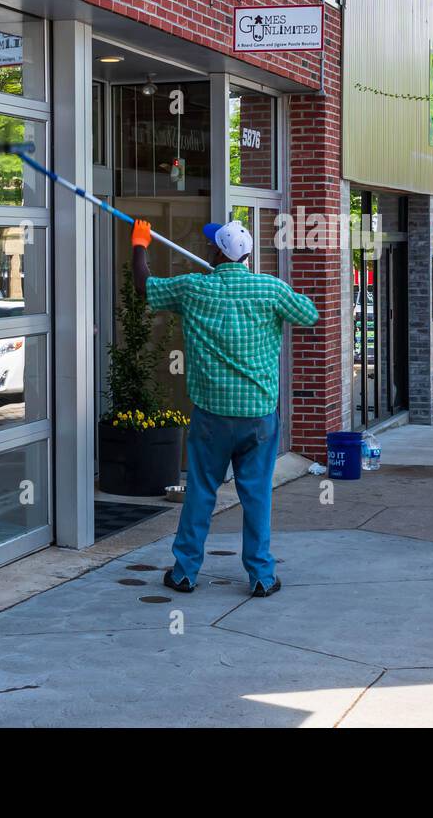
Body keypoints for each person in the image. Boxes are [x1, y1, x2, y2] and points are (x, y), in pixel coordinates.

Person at [132, 218, 319, 597]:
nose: (205, 249)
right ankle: (262, 577)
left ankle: (184, 572)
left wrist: (140, 244)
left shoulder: (193, 289)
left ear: (216, 253)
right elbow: (309, 314)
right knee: (257, 495)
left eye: (210, 245)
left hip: (211, 416)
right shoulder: (269, 288)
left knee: (201, 490)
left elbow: (144, 285)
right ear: (247, 255)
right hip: (258, 417)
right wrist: (271, 295)